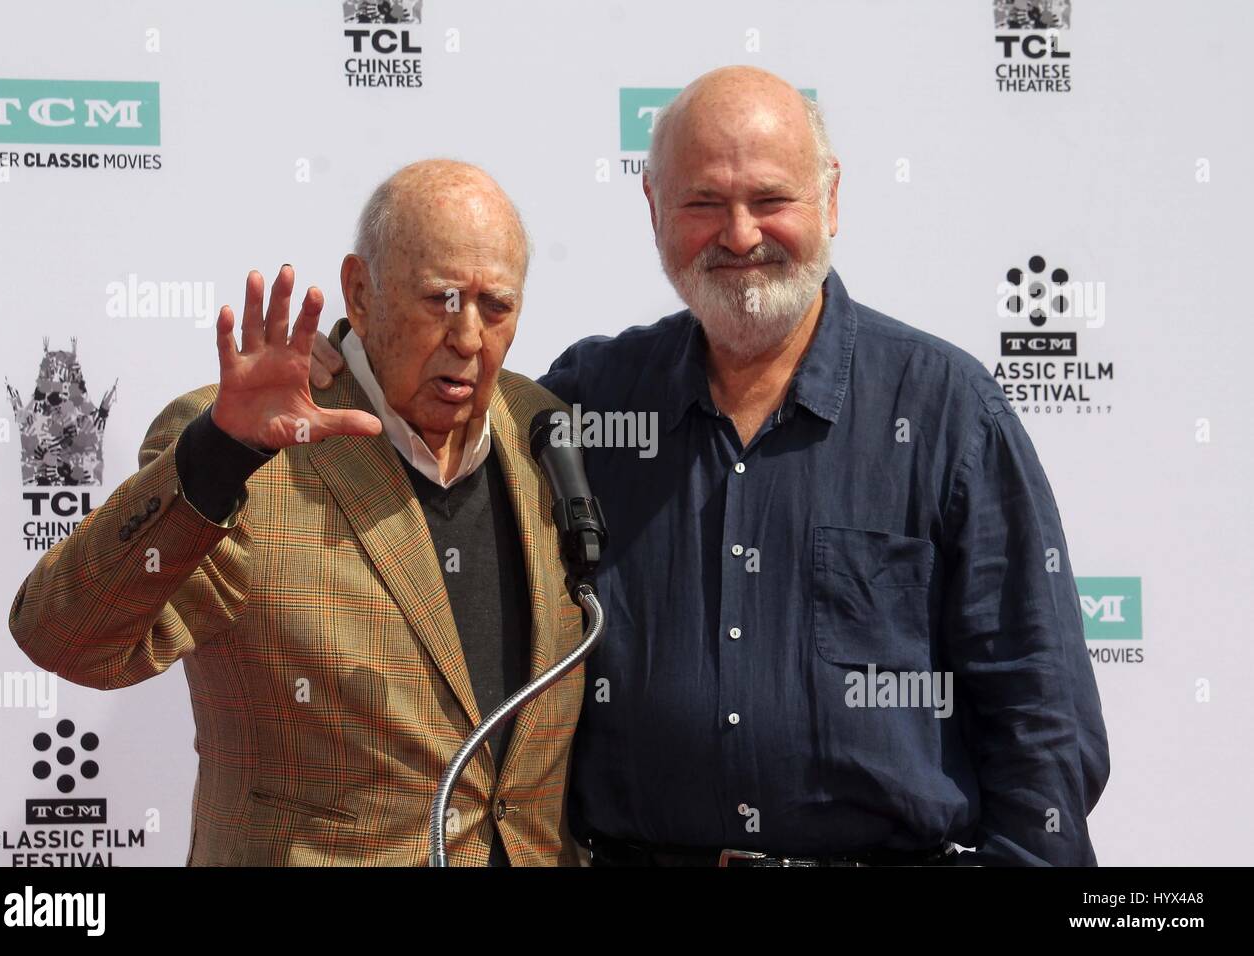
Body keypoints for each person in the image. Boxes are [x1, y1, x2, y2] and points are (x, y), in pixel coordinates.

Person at [310, 66, 1111, 866]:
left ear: (829, 200)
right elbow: (430, 443)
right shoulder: (582, 405)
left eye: (770, 199)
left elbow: (1043, 721)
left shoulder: (946, 413)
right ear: (655, 211)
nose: (738, 234)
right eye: (702, 203)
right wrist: (343, 368)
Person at [8, 160, 586, 866]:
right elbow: (65, 635)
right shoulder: (247, 447)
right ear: (360, 293)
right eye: (439, 300)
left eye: (496, 306)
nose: (468, 337)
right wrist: (220, 454)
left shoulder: (541, 428)